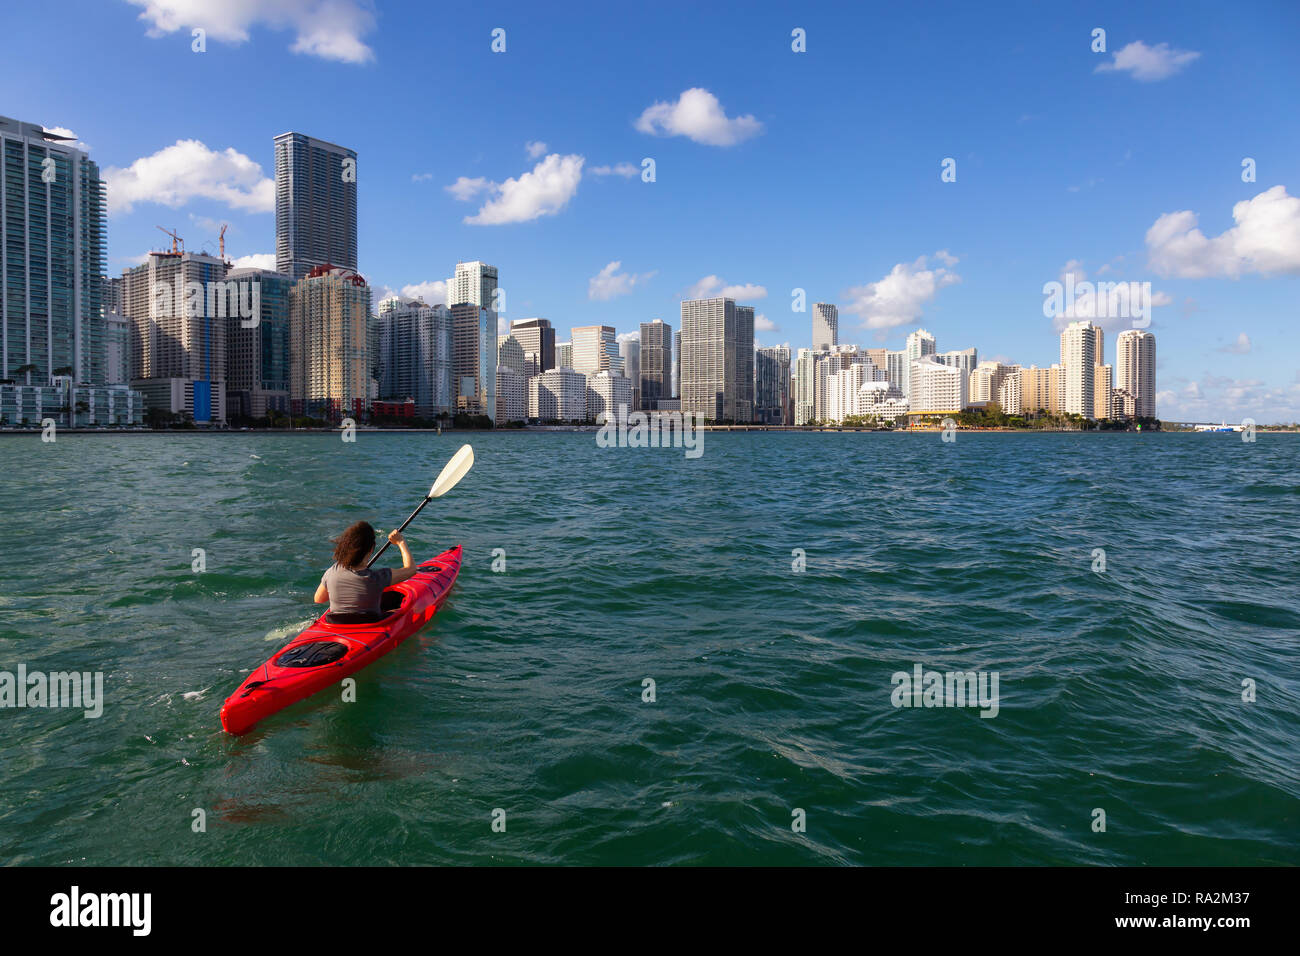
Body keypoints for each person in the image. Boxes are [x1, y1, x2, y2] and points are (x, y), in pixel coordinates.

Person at [314, 521, 418, 623]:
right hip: (371, 624)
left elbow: (319, 599)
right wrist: (401, 542)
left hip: (337, 624)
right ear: (371, 549)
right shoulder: (378, 578)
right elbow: (411, 569)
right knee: (398, 605)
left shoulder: (331, 572)